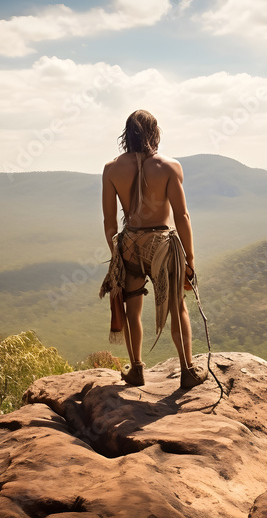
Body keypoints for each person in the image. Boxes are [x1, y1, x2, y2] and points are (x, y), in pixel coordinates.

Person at [99, 109, 207, 389]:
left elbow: (109, 222)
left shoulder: (111, 169)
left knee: (132, 308)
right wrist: (190, 259)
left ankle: (136, 369)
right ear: (154, 133)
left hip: (129, 245)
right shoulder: (169, 167)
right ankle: (187, 370)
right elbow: (182, 216)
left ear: (127, 134)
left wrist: (116, 256)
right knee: (177, 307)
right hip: (162, 246)